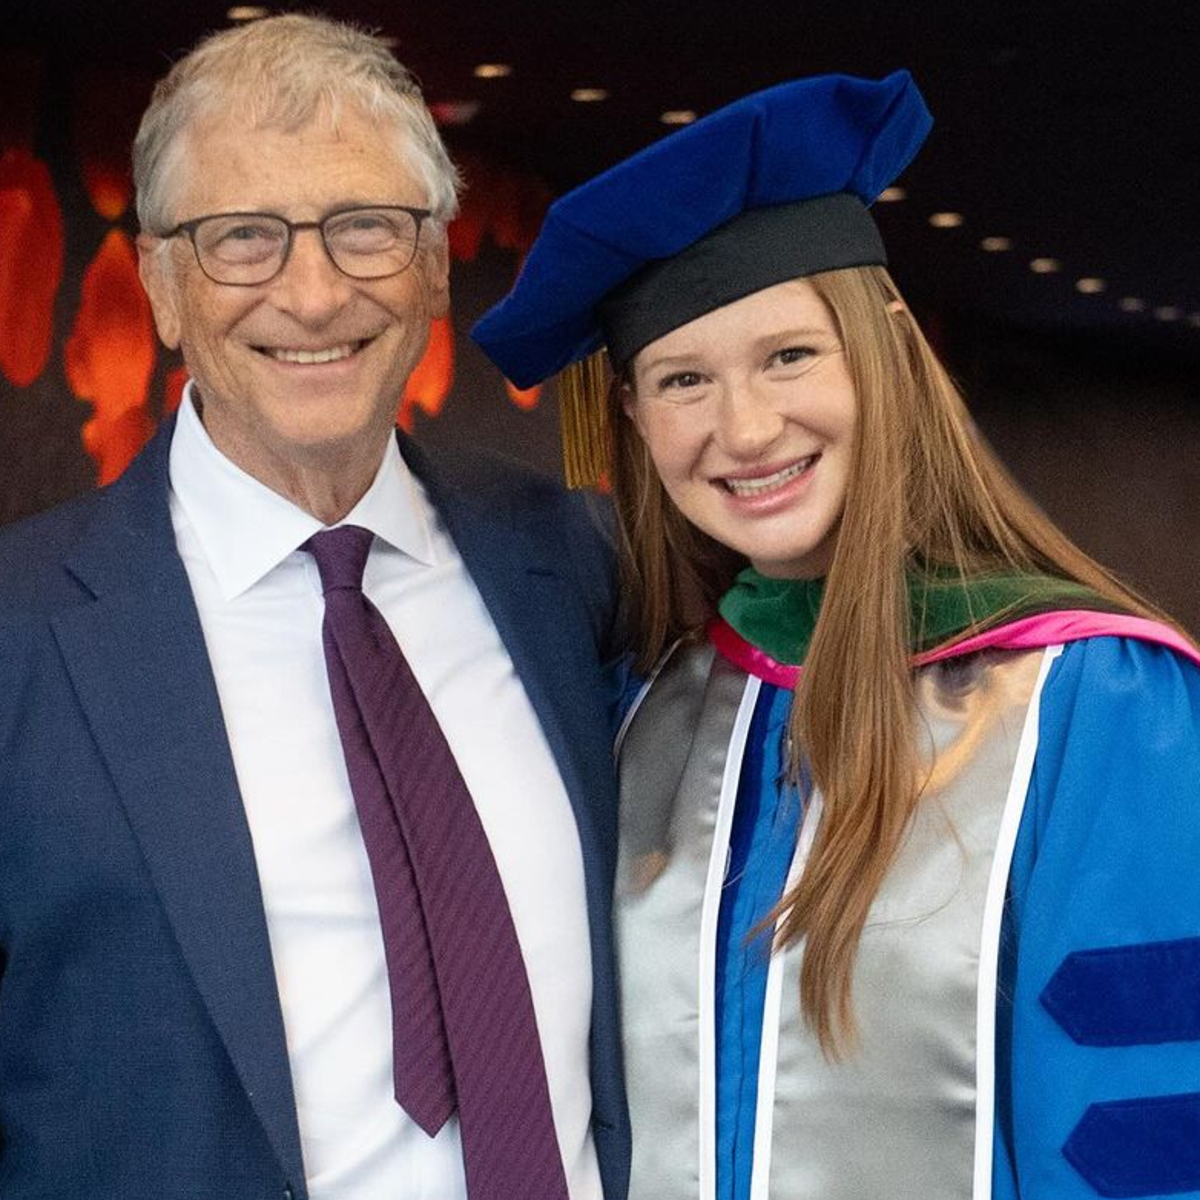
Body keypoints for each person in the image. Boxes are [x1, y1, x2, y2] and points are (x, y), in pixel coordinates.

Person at [472, 70, 1200, 1200]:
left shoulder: (1090, 697)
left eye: (789, 356)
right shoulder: (643, 708)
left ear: (887, 353)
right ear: (631, 417)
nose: (746, 428)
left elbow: (1143, 1131)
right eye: (682, 379)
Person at [0, 15, 629, 1200]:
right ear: (163, 286)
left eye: (366, 227)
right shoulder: (21, 636)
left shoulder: (572, 563)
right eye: (243, 236)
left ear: (433, 266)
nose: (314, 291)